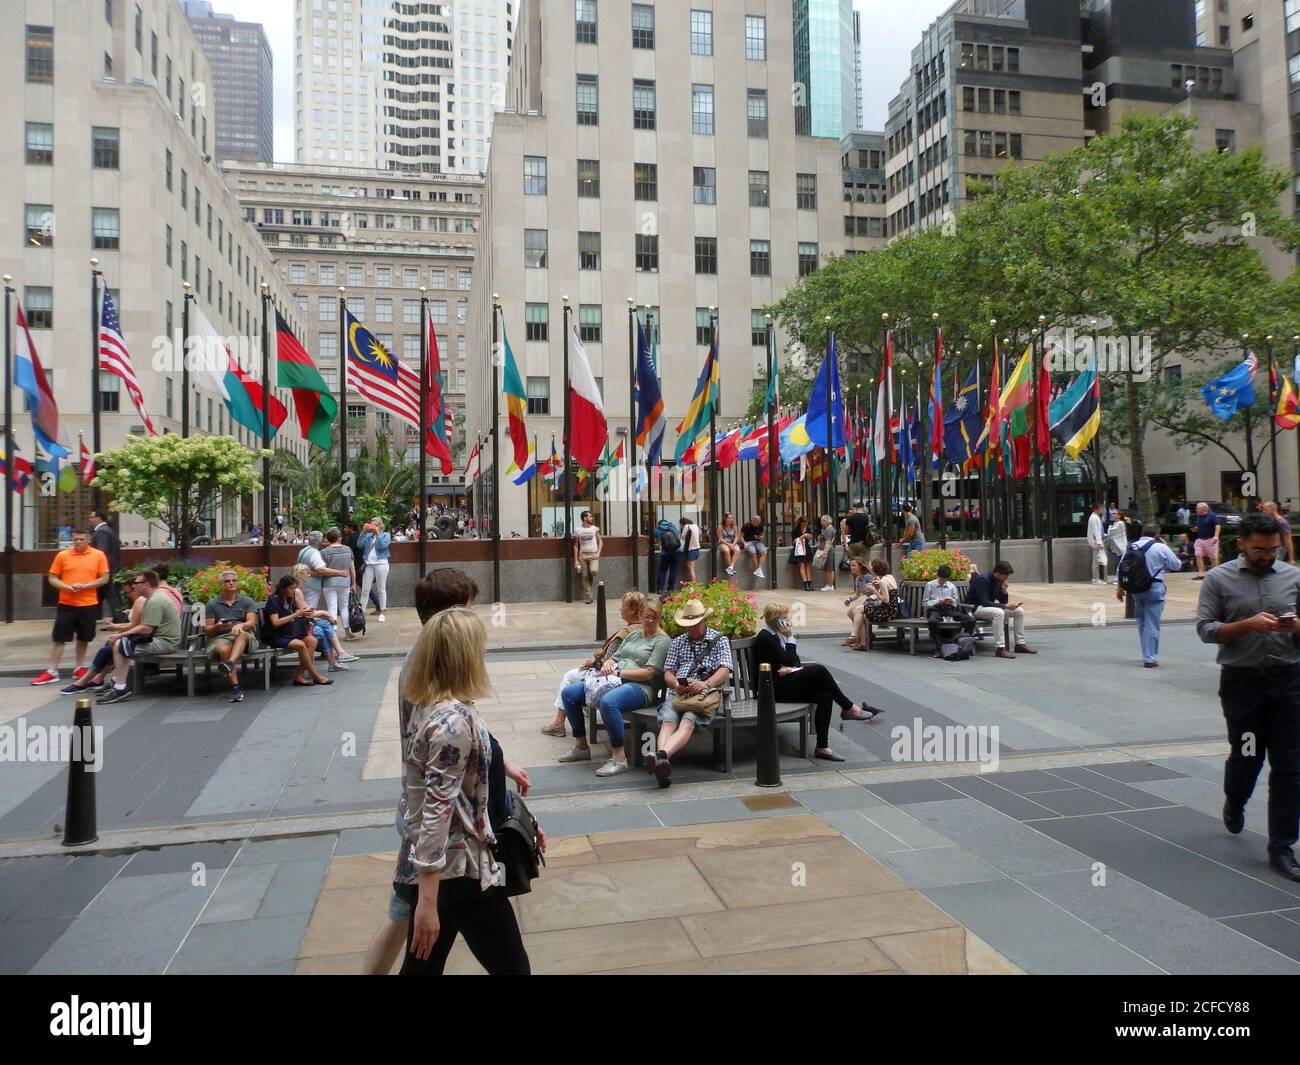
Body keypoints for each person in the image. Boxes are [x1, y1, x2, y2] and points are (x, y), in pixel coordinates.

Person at [392, 607, 532, 974]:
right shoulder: (451, 721)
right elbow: (437, 808)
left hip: (450, 871)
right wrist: (427, 901)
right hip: (458, 872)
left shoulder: (435, 704)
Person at [1196, 513, 1300, 883]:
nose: (1266, 556)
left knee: (1290, 766)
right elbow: (1206, 630)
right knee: (1248, 754)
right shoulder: (1218, 578)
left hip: (1289, 681)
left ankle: (1282, 846)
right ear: (1240, 543)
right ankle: (1235, 799)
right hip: (1243, 684)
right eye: (1259, 549)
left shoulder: (1293, 577)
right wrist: (1247, 625)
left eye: (1273, 550)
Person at [557, 597, 671, 776]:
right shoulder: (634, 634)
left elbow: (649, 673)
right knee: (569, 693)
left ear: (659, 618)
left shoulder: (662, 641)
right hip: (613, 680)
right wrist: (607, 665)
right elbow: (615, 656)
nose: (649, 621)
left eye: (653, 617)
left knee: (608, 702)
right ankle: (581, 746)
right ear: (640, 616)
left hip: (641, 687)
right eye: (646, 616)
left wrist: (617, 673)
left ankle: (619, 757)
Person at [755, 603, 879, 762]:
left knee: (824, 696)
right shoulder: (766, 637)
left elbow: (795, 662)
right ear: (775, 620)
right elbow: (790, 660)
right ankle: (848, 707)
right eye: (784, 618)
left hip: (783, 681)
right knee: (819, 670)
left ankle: (822, 747)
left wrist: (788, 659)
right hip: (772, 689)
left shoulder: (777, 635)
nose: (788, 621)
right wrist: (790, 638)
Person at [650, 599, 733, 788]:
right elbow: (668, 672)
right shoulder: (678, 641)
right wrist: (676, 684)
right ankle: (662, 762)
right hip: (679, 692)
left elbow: (725, 669)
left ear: (704, 621)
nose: (692, 630)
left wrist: (706, 683)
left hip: (704, 695)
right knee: (668, 720)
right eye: (688, 626)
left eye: (695, 625)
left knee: (688, 721)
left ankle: (660, 757)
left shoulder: (718, 640)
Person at [542, 591, 645, 736]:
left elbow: (610, 663)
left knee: (569, 677)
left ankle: (559, 723)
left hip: (614, 677)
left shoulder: (626, 633)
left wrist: (593, 662)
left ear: (633, 610)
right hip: (620, 675)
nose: (620, 609)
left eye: (623, 606)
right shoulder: (638, 630)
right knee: (572, 682)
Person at [33, 529, 110, 686]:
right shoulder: (63, 555)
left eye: (81, 539)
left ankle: (79, 667)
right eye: (75, 539)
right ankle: (52, 671)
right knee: (59, 638)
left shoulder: (98, 555)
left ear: (88, 540)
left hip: (88, 604)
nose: (78, 542)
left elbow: (104, 578)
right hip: (66, 603)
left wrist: (86, 585)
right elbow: (53, 578)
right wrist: (65, 586)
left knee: (84, 638)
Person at [98, 570, 183, 704]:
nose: (133, 586)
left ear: (146, 584)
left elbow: (146, 628)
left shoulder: (155, 601)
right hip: (160, 640)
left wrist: (120, 634)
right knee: (121, 644)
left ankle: (120, 687)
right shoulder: (154, 598)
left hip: (164, 643)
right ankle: (118, 683)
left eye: (136, 583)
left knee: (120, 644)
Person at [59, 575, 148, 695]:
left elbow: (136, 626)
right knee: (110, 645)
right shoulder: (140, 601)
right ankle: (98, 679)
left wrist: (116, 628)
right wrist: (118, 629)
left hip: (143, 639)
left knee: (108, 649)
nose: (128, 594)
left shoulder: (141, 601)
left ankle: (84, 682)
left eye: (130, 590)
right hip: (138, 636)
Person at [1115, 522, 1181, 668]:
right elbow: (1176, 565)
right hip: (1154, 587)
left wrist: (1120, 588)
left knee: (1142, 622)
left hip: (1136, 589)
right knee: (1152, 623)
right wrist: (1164, 546)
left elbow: (1121, 567)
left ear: (1142, 532)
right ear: (1157, 534)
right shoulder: (1160, 547)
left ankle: (1146, 653)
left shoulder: (1132, 547)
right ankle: (1150, 658)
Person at [262, 575, 331, 686]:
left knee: (312, 641)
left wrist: (305, 612)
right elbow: (275, 622)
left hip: (288, 632)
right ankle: (316, 676)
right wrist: (297, 614)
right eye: (291, 588)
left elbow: (297, 610)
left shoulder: (290, 599)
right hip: (275, 635)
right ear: (283, 588)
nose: (294, 591)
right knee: (301, 645)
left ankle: (299, 676)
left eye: (294, 588)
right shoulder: (273, 601)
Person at [204, 570, 260, 702]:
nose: (231, 583)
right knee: (223, 649)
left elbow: (251, 623)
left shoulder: (247, 601)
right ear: (221, 584)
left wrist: (242, 625)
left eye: (234, 580)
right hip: (220, 637)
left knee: (242, 633)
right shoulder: (212, 604)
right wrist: (218, 626)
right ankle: (235, 686)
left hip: (244, 637)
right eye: (227, 581)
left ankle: (229, 663)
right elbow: (207, 630)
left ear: (238, 583)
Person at [968, 561, 1035, 660]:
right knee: (998, 612)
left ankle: (1020, 644)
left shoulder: (998, 581)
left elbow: (1003, 601)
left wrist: (1004, 591)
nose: (1006, 578)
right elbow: (984, 602)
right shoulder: (982, 580)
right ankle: (1000, 648)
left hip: (988, 608)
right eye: (1005, 575)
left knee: (1019, 611)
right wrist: (1005, 606)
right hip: (975, 608)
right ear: (998, 573)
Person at [924, 564, 976, 655]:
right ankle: (939, 647)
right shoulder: (930, 585)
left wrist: (951, 601)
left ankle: (961, 642)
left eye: (945, 580)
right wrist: (937, 601)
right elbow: (925, 603)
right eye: (941, 579)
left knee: (970, 620)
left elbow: (956, 603)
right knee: (932, 622)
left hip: (948, 610)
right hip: (935, 610)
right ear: (938, 576)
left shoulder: (951, 586)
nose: (943, 582)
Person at [320, 527, 359, 639]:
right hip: (345, 583)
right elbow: (352, 568)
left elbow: (323, 569)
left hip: (329, 583)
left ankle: (333, 634)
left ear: (328, 539)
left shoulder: (324, 552)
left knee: (331, 608)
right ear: (339, 538)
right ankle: (347, 633)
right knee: (344, 607)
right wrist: (353, 584)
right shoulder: (348, 550)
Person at [297, 530, 348, 610]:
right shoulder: (315, 553)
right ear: (319, 541)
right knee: (310, 610)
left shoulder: (302, 551)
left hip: (301, 583)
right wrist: (340, 572)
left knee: (302, 607)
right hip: (312, 586)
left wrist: (309, 572)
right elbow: (321, 570)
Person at [88, 509, 121, 616]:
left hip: (106, 570)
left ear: (99, 518)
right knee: (101, 595)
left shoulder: (102, 532)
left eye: (92, 517)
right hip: (109, 569)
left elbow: (101, 552)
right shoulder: (108, 530)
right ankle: (92, 619)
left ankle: (119, 620)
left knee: (111, 596)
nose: (90, 519)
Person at [358, 517, 392, 620]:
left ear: (381, 525)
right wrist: (363, 533)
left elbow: (382, 546)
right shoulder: (368, 535)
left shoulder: (386, 535)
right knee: (365, 589)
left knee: (381, 588)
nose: (373, 527)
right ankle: (361, 612)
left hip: (381, 564)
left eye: (375, 525)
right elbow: (359, 545)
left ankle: (382, 611)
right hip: (368, 564)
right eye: (372, 524)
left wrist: (377, 535)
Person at [844, 559, 877, 651]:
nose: (852, 568)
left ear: (860, 566)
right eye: (851, 566)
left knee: (857, 612)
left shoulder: (868, 577)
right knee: (850, 612)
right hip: (869, 602)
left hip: (875, 601)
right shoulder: (858, 578)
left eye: (854, 565)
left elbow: (876, 591)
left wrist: (871, 597)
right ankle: (862, 636)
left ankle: (861, 640)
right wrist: (849, 599)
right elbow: (857, 594)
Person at [573, 510, 603, 604]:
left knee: (593, 571)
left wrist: (598, 553)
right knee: (584, 576)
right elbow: (575, 545)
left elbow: (600, 541)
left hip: (593, 554)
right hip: (582, 555)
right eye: (590, 517)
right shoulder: (578, 530)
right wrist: (576, 560)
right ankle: (589, 596)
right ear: (585, 518)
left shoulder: (594, 529)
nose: (592, 518)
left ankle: (591, 577)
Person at [1191, 502, 1222, 580]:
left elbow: (1217, 526)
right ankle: (1201, 573)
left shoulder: (1212, 516)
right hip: (1200, 539)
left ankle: (1216, 574)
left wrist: (1216, 536)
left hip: (1210, 539)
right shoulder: (1198, 517)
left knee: (1213, 558)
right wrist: (1196, 529)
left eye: (1197, 508)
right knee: (1198, 555)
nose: (1196, 510)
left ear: (1204, 509)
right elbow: (1199, 526)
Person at [739, 514, 768, 581]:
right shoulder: (746, 526)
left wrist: (759, 537)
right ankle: (756, 569)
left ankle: (759, 569)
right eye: (757, 521)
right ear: (752, 521)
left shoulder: (760, 526)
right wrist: (744, 543)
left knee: (764, 552)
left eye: (759, 521)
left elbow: (762, 535)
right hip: (748, 542)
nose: (758, 523)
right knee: (753, 553)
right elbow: (741, 536)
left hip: (757, 542)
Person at [655, 518, 680, 593]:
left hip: (665, 553)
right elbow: (677, 538)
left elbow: (657, 541)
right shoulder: (673, 526)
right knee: (673, 570)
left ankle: (660, 588)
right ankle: (670, 588)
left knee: (662, 570)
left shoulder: (658, 529)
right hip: (676, 551)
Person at [790, 516, 815, 591]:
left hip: (806, 547)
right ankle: (805, 583)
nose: (805, 525)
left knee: (808, 565)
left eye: (806, 523)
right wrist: (802, 536)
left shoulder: (808, 529)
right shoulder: (795, 530)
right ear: (800, 523)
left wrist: (809, 536)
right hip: (799, 549)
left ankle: (810, 582)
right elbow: (793, 541)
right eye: (803, 523)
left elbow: (810, 538)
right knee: (802, 565)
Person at [1105, 511, 1129, 584]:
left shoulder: (1121, 523)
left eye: (1115, 514)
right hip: (1117, 547)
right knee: (1118, 562)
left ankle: (1120, 578)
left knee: (1121, 562)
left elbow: (1112, 531)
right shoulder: (1116, 523)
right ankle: (1118, 577)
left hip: (1122, 546)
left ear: (1119, 516)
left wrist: (1109, 528)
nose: (1114, 515)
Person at [1086, 503, 1107, 584]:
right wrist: (1099, 542)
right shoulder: (1094, 518)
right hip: (1096, 542)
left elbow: (1098, 531)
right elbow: (1096, 531)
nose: (1102, 510)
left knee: (1097, 560)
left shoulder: (1095, 517)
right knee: (1096, 561)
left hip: (1097, 541)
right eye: (1101, 509)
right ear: (1096, 509)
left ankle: (1096, 578)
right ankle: (1096, 578)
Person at [815, 514, 837, 591]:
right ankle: (829, 584)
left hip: (827, 551)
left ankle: (830, 585)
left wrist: (825, 552)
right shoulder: (828, 529)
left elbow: (828, 542)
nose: (821, 522)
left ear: (826, 521)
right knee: (827, 568)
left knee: (829, 569)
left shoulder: (828, 530)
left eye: (822, 520)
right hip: (827, 550)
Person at [678, 516, 701, 583]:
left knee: (691, 568)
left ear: (682, 524)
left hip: (691, 549)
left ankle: (694, 585)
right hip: (697, 549)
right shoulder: (695, 526)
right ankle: (693, 584)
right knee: (688, 565)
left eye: (680, 525)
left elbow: (682, 537)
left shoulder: (686, 526)